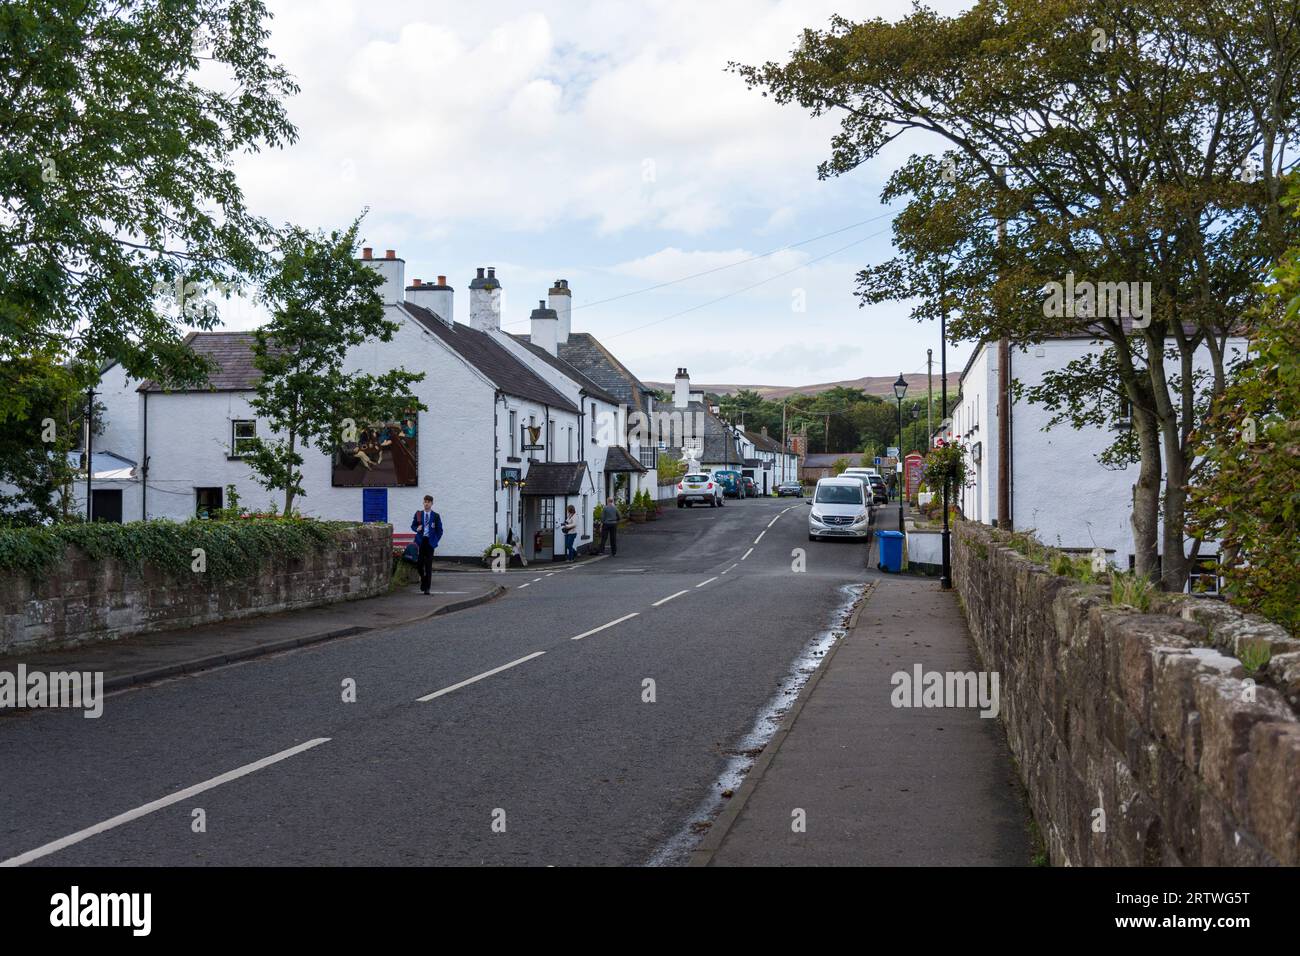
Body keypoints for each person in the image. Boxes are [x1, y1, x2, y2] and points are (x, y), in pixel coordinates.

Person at [411, 494, 443, 594]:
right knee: (419, 564)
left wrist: (435, 541)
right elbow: (413, 525)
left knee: (428, 566)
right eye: (425, 502)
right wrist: (417, 528)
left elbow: (440, 530)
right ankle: (424, 580)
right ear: (423, 503)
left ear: (432, 503)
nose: (426, 504)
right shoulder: (419, 514)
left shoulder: (436, 516)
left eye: (428, 502)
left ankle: (427, 588)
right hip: (420, 541)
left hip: (430, 542)